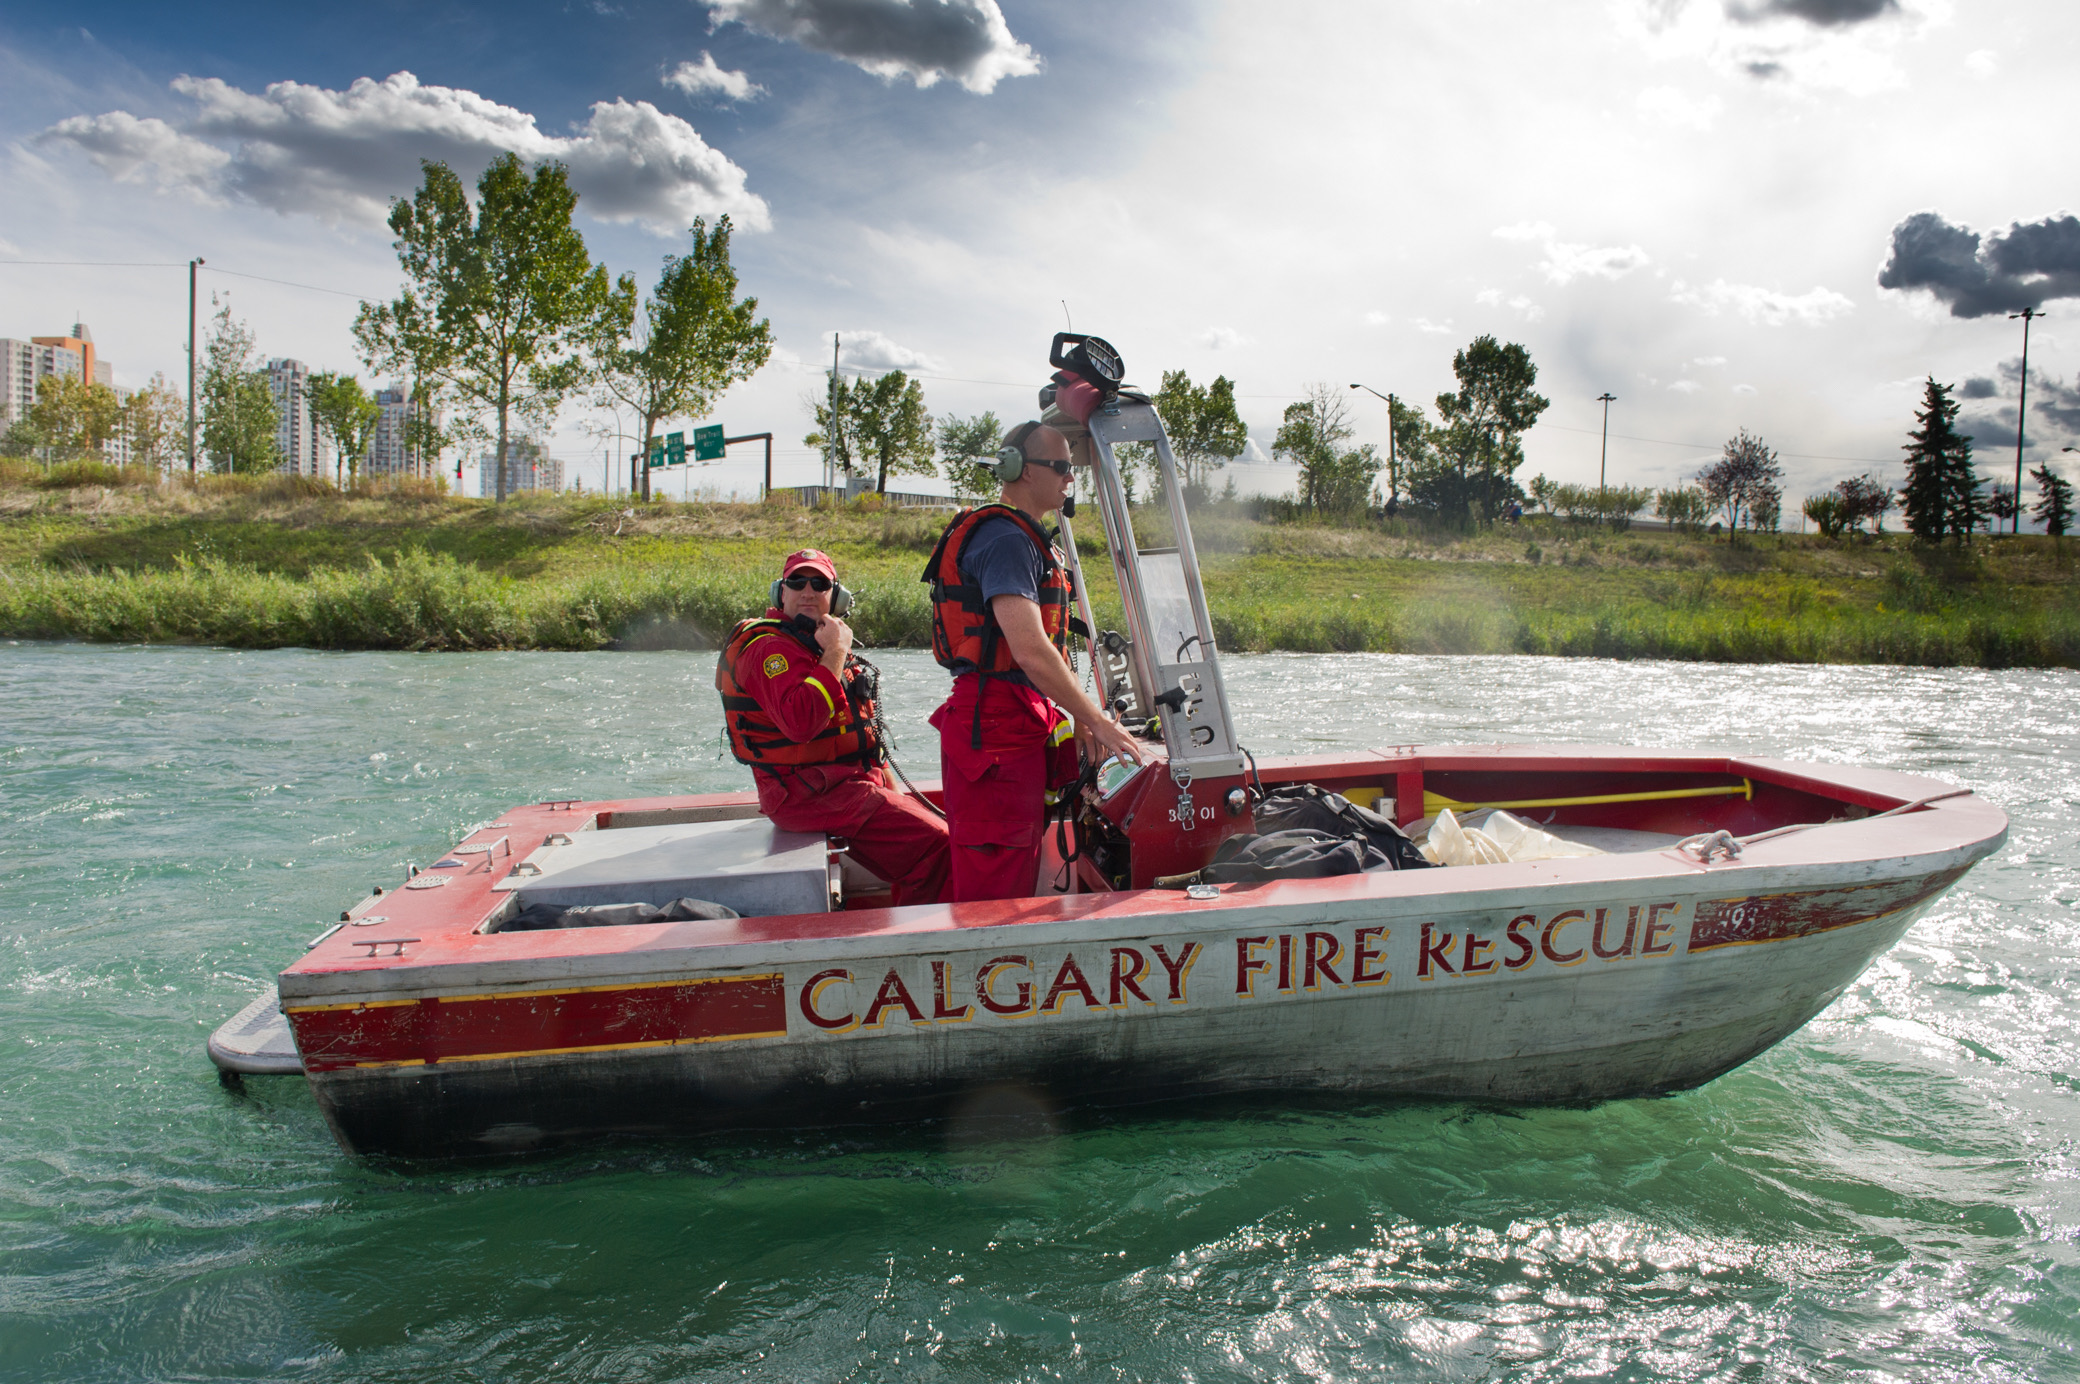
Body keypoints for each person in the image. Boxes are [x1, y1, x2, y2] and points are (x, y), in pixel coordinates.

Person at [924, 422, 1146, 902]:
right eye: (1062, 467)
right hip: (996, 734)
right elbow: (1028, 649)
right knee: (993, 897)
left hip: (1013, 722)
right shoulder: (1006, 541)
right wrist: (1096, 721)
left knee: (1013, 874)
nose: (1070, 479)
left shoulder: (1022, 538)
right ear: (1021, 471)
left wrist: (1074, 719)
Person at [715, 549, 950, 906]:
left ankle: (912, 926)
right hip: (804, 794)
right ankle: (923, 942)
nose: (807, 591)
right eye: (796, 582)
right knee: (941, 844)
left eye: (819, 583)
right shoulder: (768, 650)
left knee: (945, 833)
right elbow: (801, 722)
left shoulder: (815, 644)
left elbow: (863, 737)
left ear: (834, 597)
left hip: (841, 784)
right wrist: (837, 652)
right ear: (781, 592)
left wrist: (891, 790)